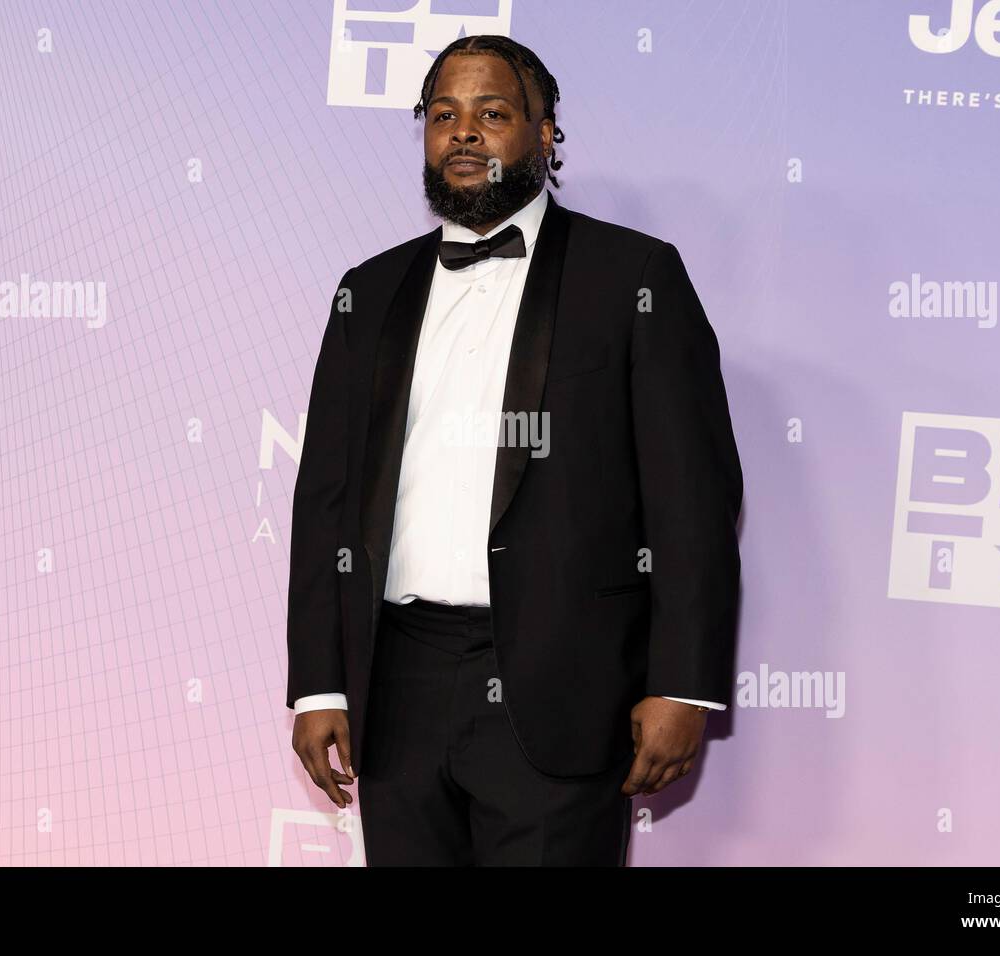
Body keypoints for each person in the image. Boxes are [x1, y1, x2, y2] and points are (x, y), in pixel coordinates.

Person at [286, 34, 743, 866]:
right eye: (444, 115)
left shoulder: (634, 276)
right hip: (398, 685)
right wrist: (320, 682)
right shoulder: (370, 289)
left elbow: (693, 499)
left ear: (545, 132)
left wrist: (680, 684)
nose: (464, 133)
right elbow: (327, 496)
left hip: (562, 683)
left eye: (492, 114)